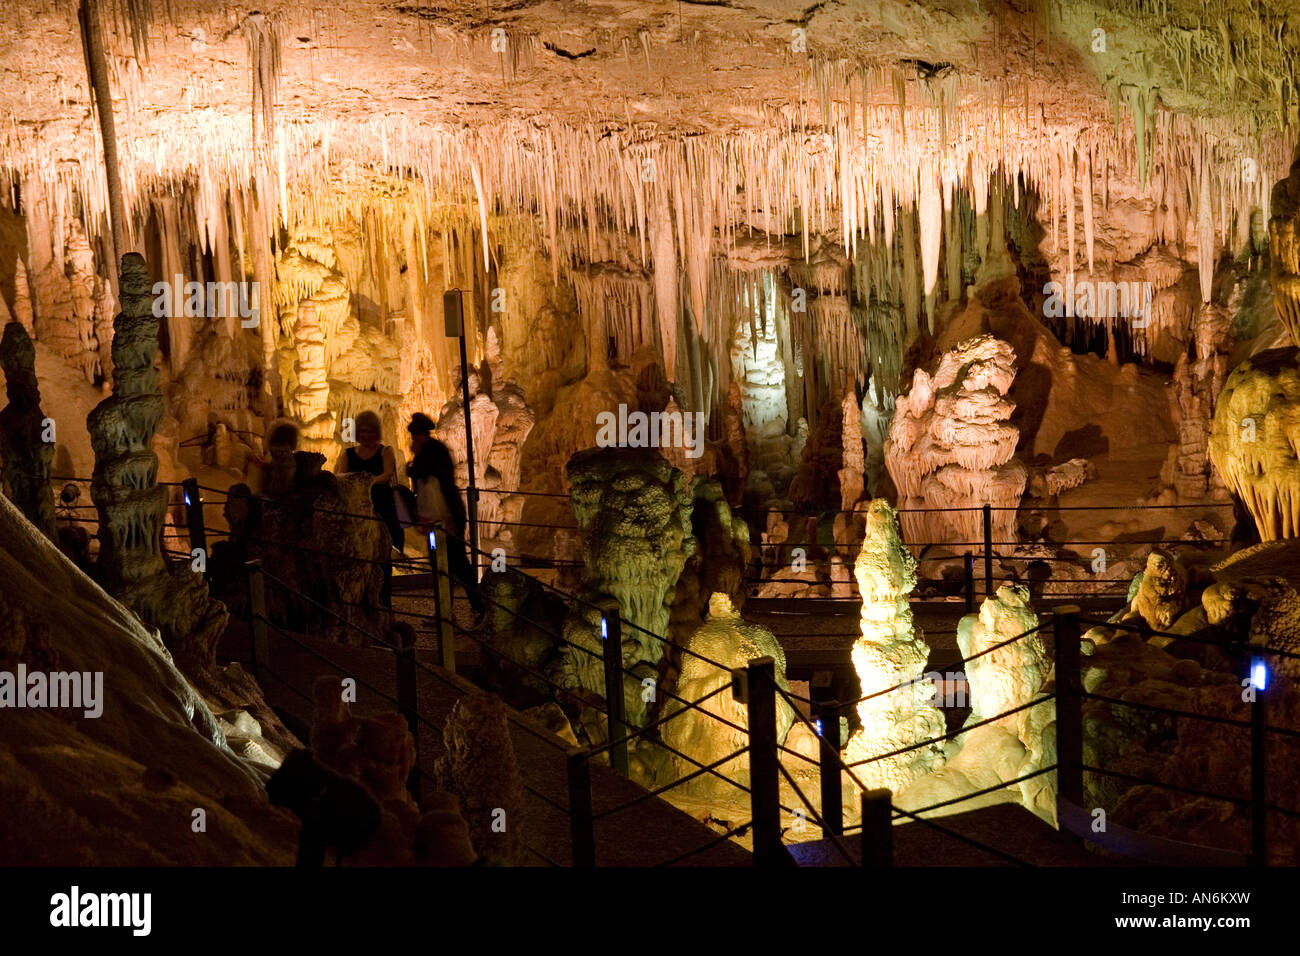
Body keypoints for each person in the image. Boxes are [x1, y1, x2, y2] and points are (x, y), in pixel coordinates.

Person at [407, 412, 483, 615]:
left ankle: (477, 607)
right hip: (435, 523)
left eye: (415, 436)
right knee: (441, 564)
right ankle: (447, 609)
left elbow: (427, 476)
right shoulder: (428, 453)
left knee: (457, 565)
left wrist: (415, 460)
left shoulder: (433, 453)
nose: (413, 441)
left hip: (447, 520)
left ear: (422, 435)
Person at [335, 410, 402, 551]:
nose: (366, 435)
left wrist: (366, 482)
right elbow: (340, 475)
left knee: (384, 546)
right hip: (356, 505)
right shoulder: (348, 454)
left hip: (382, 504)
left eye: (370, 431)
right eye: (362, 431)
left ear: (376, 432)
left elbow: (388, 474)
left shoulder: (385, 451)